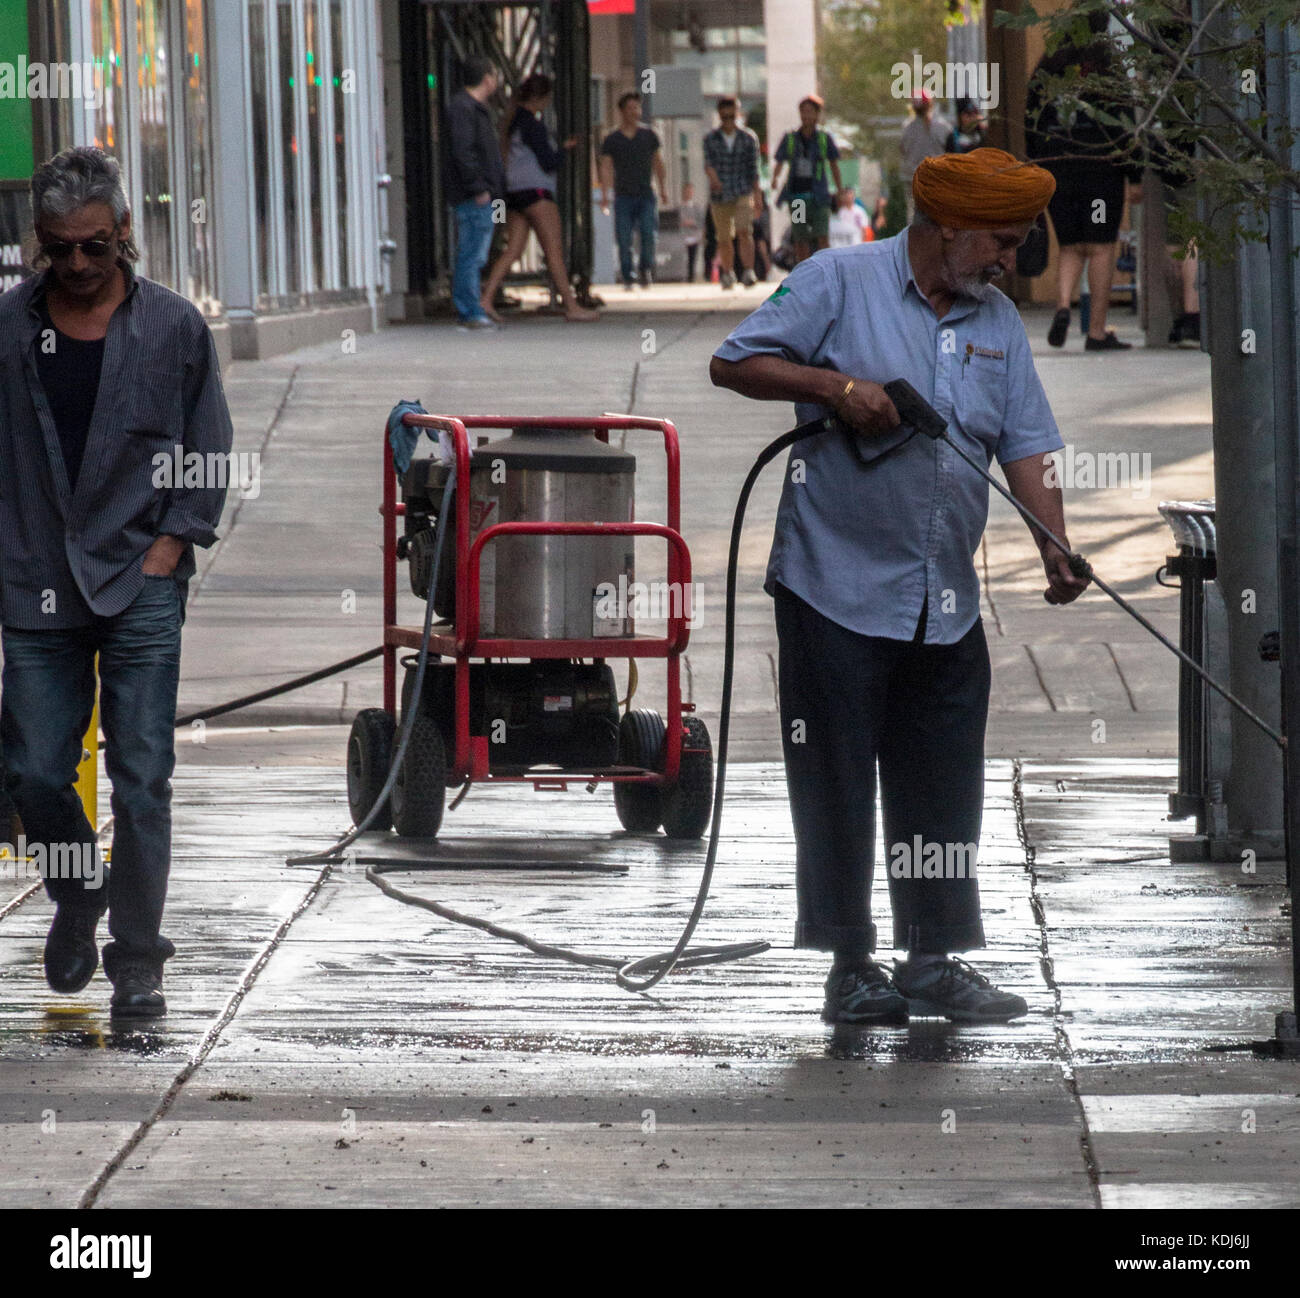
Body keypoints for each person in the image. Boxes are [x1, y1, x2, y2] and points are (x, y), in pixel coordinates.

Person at [708, 147, 1089, 1026]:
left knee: (941, 775)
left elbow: (1025, 443)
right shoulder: (839, 279)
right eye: (1000, 240)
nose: (1010, 260)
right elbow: (736, 361)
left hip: (943, 596)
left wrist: (1053, 543)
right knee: (837, 775)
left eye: (1021, 242)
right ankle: (850, 963)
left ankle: (932, 956)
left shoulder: (998, 324)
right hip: (832, 582)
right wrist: (836, 388)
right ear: (945, 227)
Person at [0, 147, 232, 1018]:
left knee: (140, 776)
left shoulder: (173, 329)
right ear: (39, 244)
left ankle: (138, 957)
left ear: (124, 233)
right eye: (59, 249)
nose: (78, 266)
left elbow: (209, 450)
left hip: (139, 581)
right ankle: (77, 888)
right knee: (29, 767)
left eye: (95, 246)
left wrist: (170, 551)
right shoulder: (11, 331)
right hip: (34, 582)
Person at [1026, 13, 1140, 351]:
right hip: (1099, 174)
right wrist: (1133, 173)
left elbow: (1031, 116)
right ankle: (1096, 332)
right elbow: (1123, 122)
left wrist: (1037, 163)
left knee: (1071, 246)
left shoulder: (1050, 63)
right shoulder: (1106, 65)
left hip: (1058, 171)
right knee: (1100, 246)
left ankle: (1063, 305)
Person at [478, 74, 598, 323]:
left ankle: (486, 299)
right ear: (540, 98)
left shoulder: (509, 123)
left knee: (512, 250)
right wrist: (566, 149)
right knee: (554, 251)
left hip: (513, 194)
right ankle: (572, 306)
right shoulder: (533, 124)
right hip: (538, 193)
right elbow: (549, 162)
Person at [445, 57, 505, 330]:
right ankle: (470, 311)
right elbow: (463, 150)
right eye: (494, 75)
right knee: (472, 252)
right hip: (476, 195)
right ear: (487, 78)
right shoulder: (464, 109)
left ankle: (471, 308)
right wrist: (478, 187)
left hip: (486, 194)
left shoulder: (473, 108)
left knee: (476, 250)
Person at [598, 92, 668, 289]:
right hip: (623, 195)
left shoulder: (649, 135)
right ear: (621, 111)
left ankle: (645, 268)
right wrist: (605, 195)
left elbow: (658, 163)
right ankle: (628, 274)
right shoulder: (612, 139)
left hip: (646, 193)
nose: (634, 112)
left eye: (637, 108)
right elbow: (605, 167)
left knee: (648, 233)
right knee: (624, 236)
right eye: (630, 108)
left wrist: (663, 188)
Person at [772, 95, 843, 263]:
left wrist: (839, 190)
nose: (806, 116)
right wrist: (775, 178)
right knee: (800, 236)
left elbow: (834, 165)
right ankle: (803, 270)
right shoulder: (790, 138)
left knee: (822, 235)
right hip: (797, 196)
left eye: (810, 112)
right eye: (803, 112)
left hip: (819, 197)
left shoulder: (824, 138)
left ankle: (825, 269)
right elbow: (780, 161)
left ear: (817, 115)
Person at [703, 96, 763, 289]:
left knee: (745, 231)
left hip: (742, 191)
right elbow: (708, 164)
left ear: (737, 113)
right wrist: (714, 180)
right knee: (723, 237)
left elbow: (754, 169)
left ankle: (747, 271)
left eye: (732, 113)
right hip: (719, 195)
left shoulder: (748, 138)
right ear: (720, 114)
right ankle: (727, 272)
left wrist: (758, 195)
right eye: (724, 114)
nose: (728, 117)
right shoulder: (710, 139)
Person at [900, 91, 951, 221]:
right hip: (936, 177)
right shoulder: (943, 126)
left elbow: (902, 150)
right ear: (930, 104)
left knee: (913, 216)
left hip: (913, 177)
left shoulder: (907, 127)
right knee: (939, 213)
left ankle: (914, 239)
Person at [680, 181, 704, 282]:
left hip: (694, 237)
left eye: (690, 191)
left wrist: (693, 223)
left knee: (692, 257)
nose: (688, 193)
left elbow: (701, 222)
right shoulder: (679, 207)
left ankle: (691, 276)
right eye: (686, 191)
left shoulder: (697, 208)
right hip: (682, 237)